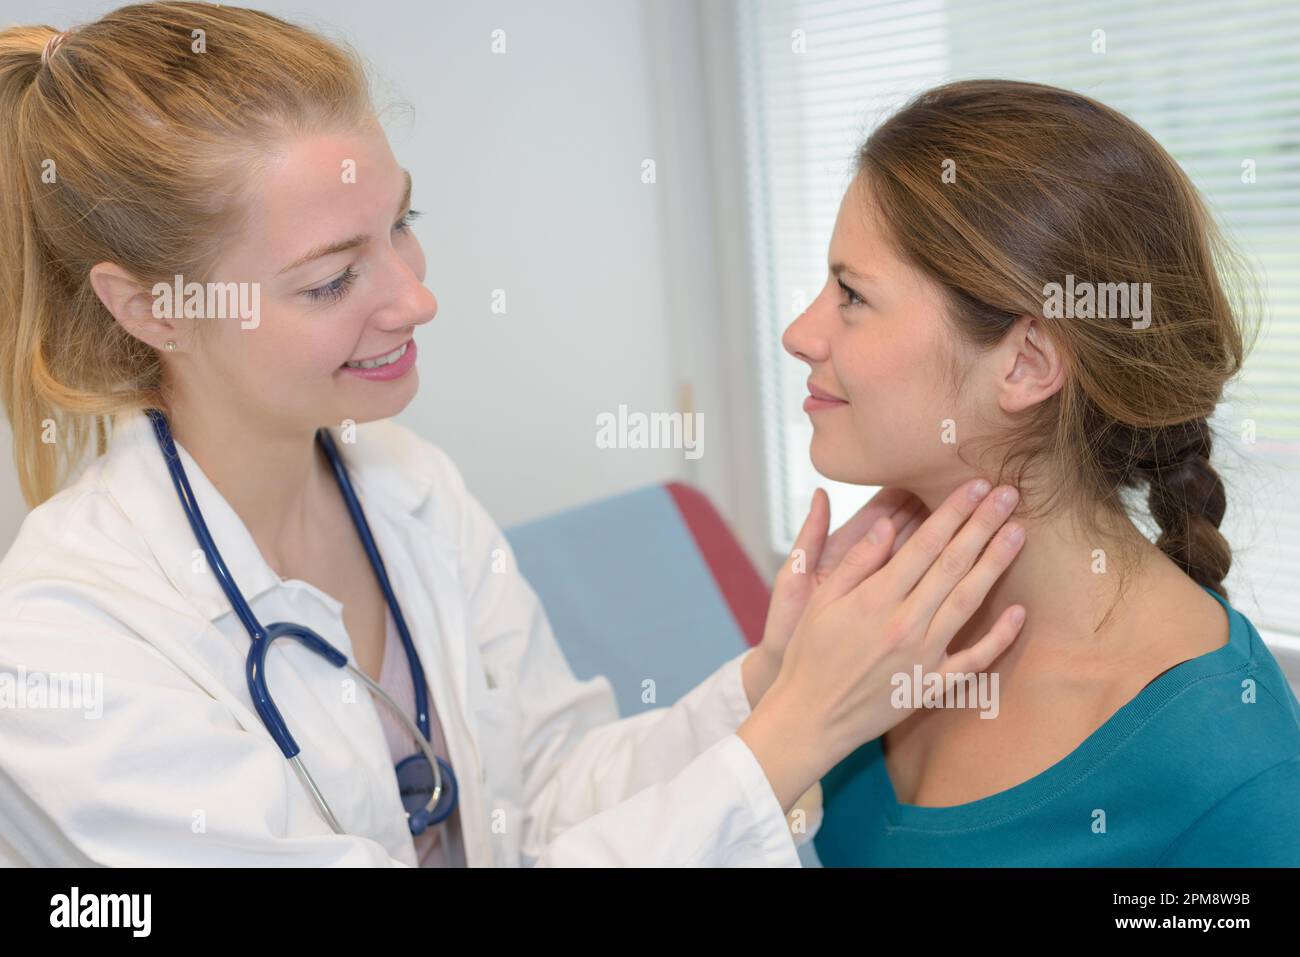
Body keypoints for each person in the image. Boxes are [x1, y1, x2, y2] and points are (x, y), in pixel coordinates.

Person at [0, 4, 1028, 867]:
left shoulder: (406, 481)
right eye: (330, 278)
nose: (417, 297)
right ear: (152, 309)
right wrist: (799, 733)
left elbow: (548, 797)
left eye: (401, 224)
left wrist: (773, 679)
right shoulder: (66, 643)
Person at [785, 79, 1300, 867]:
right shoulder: (859, 630)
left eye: (852, 294)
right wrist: (780, 693)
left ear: (1025, 363)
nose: (800, 333)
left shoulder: (1230, 767)